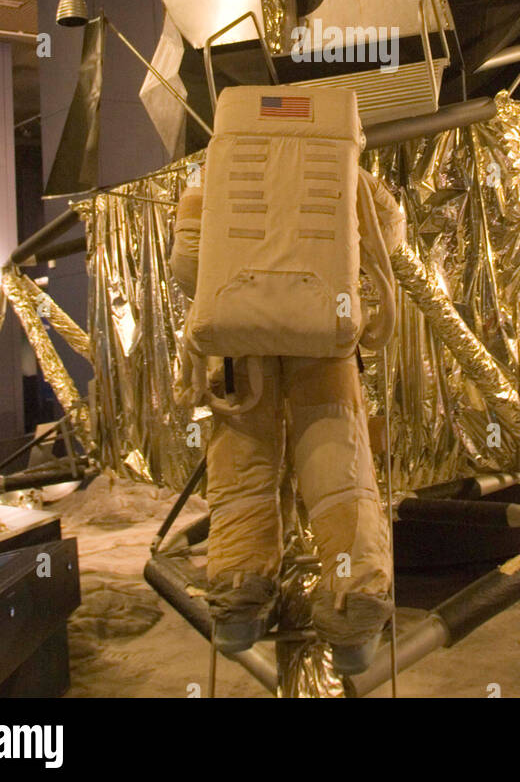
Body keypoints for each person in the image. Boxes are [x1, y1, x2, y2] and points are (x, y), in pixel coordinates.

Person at [170, 85, 405, 675]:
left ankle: (240, 599)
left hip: (237, 345)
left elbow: (186, 268)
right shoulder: (341, 157)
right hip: (321, 332)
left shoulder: (211, 171)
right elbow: (390, 234)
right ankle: (355, 611)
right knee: (337, 465)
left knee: (242, 468)